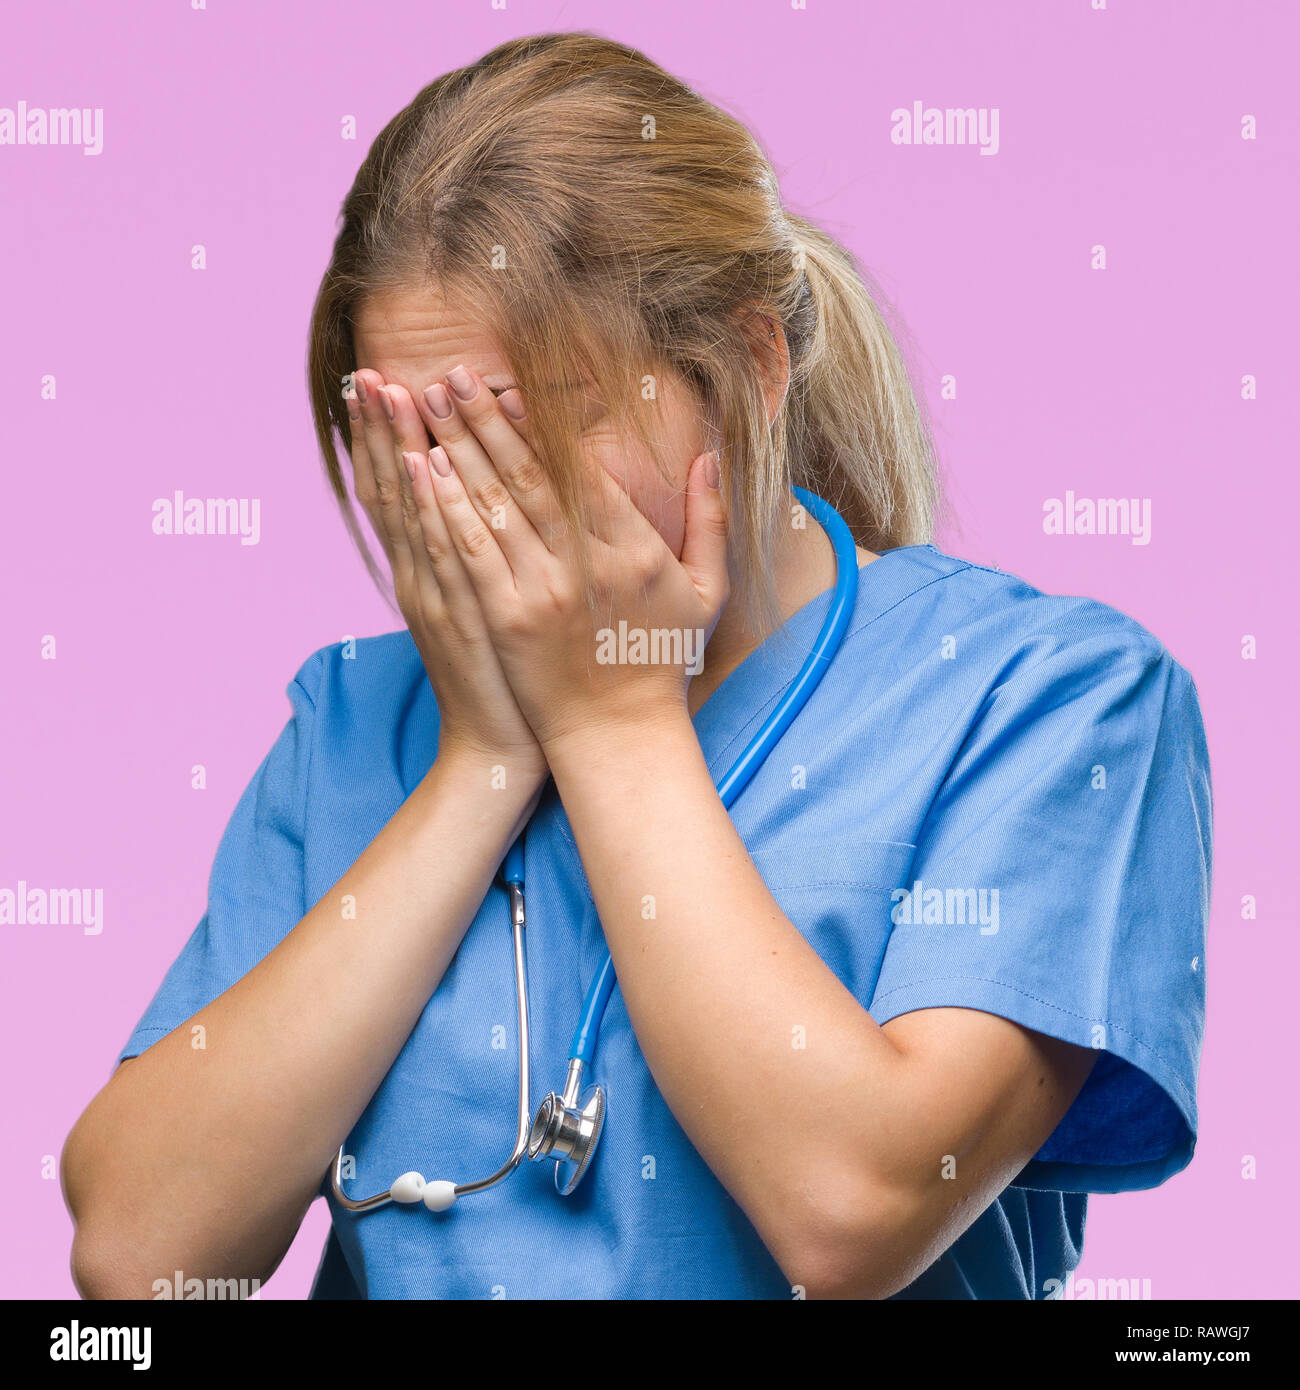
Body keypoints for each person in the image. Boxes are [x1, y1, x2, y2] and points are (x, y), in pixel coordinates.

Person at [62, 32, 1211, 1301]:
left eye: (521, 426)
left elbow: (856, 1212)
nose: (472, 504)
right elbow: (137, 1255)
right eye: (417, 440)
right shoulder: (349, 721)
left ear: (750, 370)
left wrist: (613, 718)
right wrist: (484, 760)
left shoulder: (1051, 698)